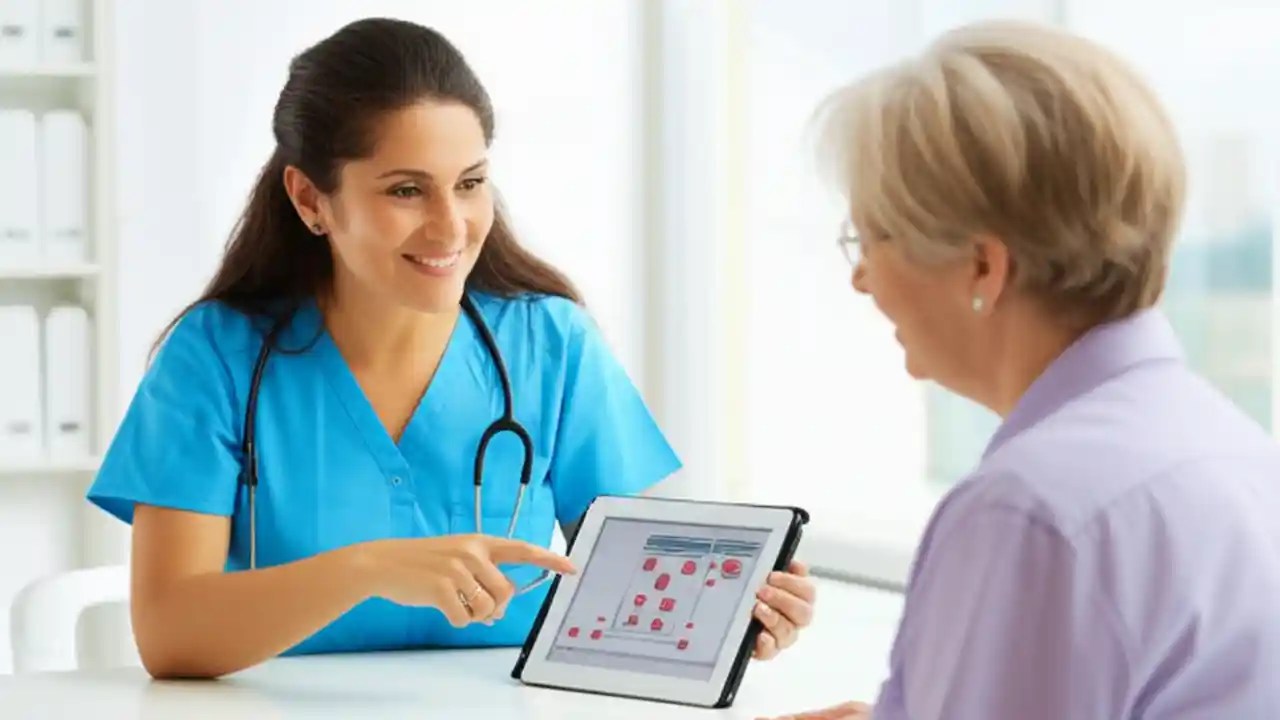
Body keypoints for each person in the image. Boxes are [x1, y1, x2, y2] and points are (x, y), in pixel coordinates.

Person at [87, 17, 815, 680]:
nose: (452, 227)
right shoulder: (217, 355)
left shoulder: (548, 342)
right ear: (311, 200)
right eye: (406, 191)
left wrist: (729, 611)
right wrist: (367, 568)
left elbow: (630, 580)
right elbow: (169, 634)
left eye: (470, 184)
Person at [764, 19, 1280, 720]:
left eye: (871, 236)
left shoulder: (1033, 509)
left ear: (983, 265)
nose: (860, 278)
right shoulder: (1229, 445)